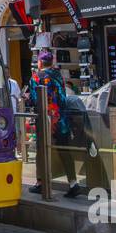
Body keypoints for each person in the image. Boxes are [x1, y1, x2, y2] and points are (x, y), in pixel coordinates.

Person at [29, 51, 82, 197]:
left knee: (41, 151)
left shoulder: (36, 77)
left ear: (40, 62)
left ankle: (41, 183)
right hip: (62, 120)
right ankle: (73, 183)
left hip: (45, 120)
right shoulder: (59, 76)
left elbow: (34, 99)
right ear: (51, 62)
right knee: (64, 151)